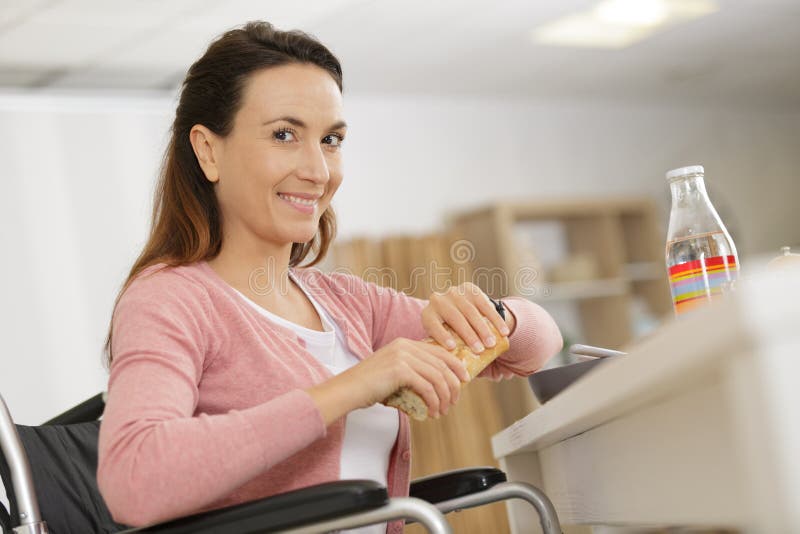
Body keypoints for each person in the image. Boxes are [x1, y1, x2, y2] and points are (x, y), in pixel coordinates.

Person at [96, 21, 563, 533]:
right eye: (284, 135)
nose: (318, 170)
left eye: (332, 139)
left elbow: (538, 346)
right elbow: (134, 481)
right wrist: (352, 386)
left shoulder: (345, 302)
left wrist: (496, 318)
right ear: (209, 151)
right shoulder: (171, 299)